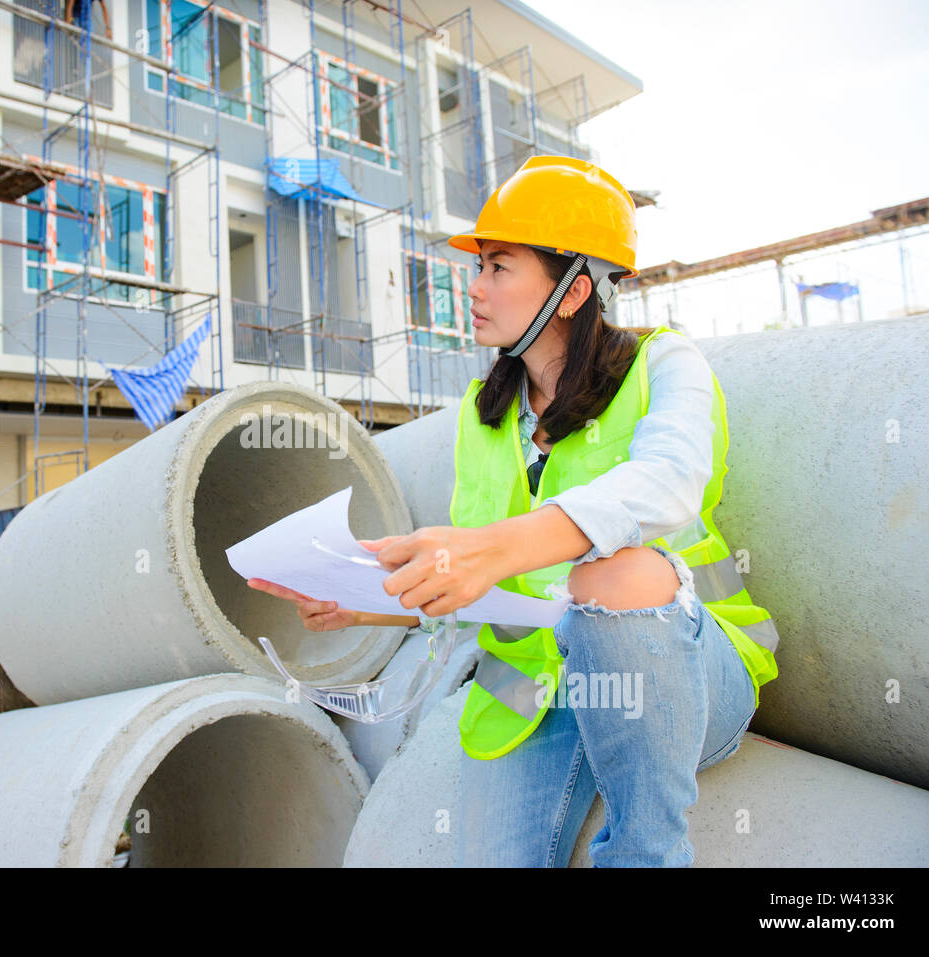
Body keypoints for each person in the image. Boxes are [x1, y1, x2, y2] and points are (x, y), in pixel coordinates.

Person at [247, 155, 779, 867]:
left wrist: (502, 544)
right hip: (530, 688)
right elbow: (483, 583)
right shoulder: (483, 415)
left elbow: (672, 479)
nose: (474, 286)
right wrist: (366, 601)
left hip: (675, 666)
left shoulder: (663, 363)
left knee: (614, 575)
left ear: (572, 290)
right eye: (479, 267)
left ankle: (649, 857)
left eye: (499, 266)